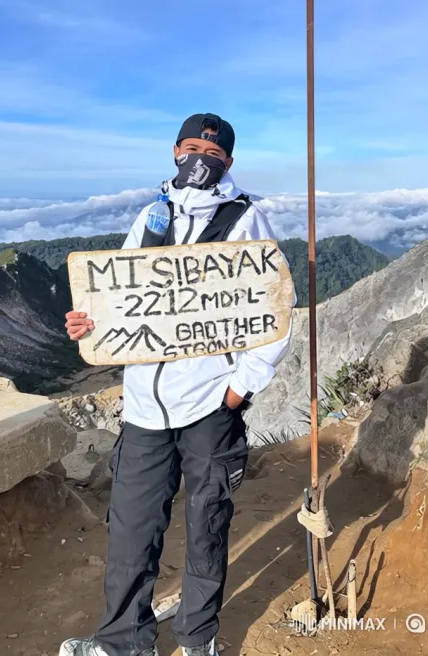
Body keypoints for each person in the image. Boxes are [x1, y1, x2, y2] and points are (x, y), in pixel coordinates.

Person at [60, 113, 292, 656]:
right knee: (131, 531)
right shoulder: (152, 217)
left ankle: (199, 639)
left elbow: (273, 305)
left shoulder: (245, 220)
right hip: (143, 405)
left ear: (228, 163)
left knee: (207, 523)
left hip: (210, 403)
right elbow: (118, 294)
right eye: (192, 147)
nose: (200, 159)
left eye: (212, 154)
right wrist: (89, 322)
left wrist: (240, 388)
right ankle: (123, 642)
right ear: (174, 151)